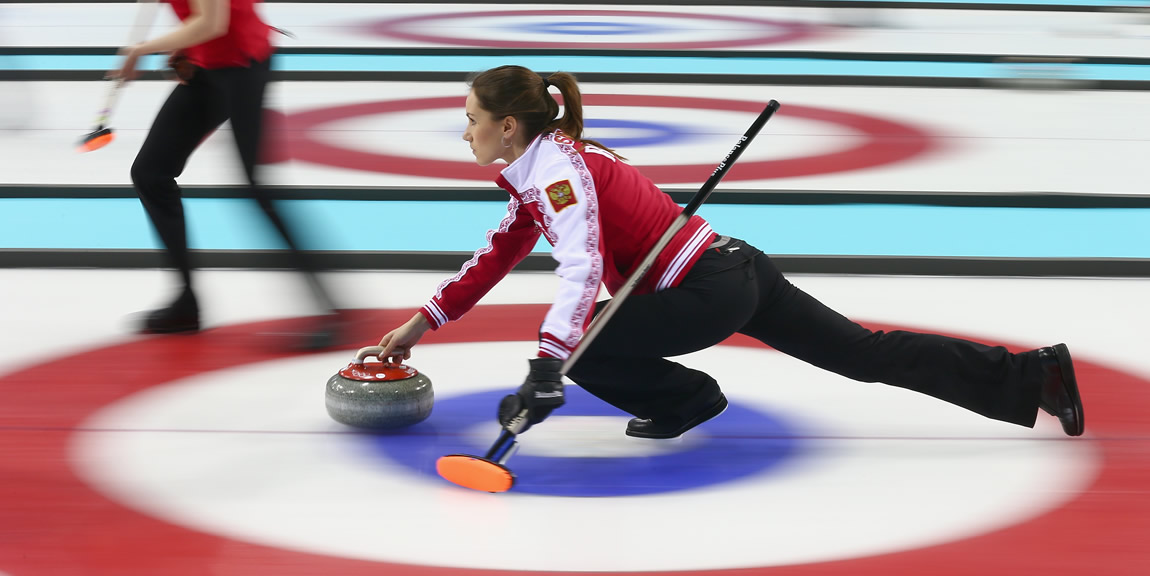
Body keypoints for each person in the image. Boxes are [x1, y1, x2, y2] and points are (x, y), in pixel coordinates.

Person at [377, 65, 1085, 440]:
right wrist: (421, 322)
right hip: (734, 267)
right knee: (866, 354)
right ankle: (1035, 376)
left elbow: (583, 268)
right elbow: (498, 253)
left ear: (508, 125)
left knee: (580, 343)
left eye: (470, 120)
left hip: (705, 287)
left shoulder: (559, 175)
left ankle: (687, 399)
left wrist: (545, 365)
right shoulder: (543, 169)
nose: (464, 133)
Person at [111, 0, 339, 344]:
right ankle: (185, 305)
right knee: (150, 173)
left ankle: (332, 310)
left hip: (242, 65)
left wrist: (140, 49)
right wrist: (186, 46)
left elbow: (211, 23)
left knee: (254, 186)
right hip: (207, 64)